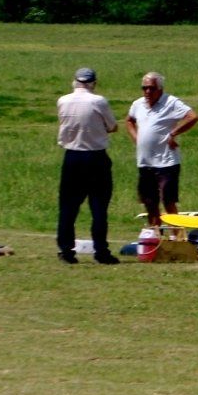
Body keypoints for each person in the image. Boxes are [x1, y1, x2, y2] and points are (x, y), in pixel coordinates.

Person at [56, 67, 120, 264]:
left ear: (75, 81)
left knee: (68, 207)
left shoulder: (63, 101)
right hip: (95, 157)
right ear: (93, 82)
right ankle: (101, 250)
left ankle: (66, 250)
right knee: (99, 207)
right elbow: (112, 126)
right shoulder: (98, 101)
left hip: (72, 157)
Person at [125, 71, 198, 232]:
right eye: (144, 88)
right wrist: (137, 138)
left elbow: (192, 117)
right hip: (145, 161)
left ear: (160, 88)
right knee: (149, 201)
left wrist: (173, 133)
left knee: (168, 200)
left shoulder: (171, 102)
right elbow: (129, 120)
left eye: (151, 88)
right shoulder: (138, 104)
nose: (147, 92)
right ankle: (155, 234)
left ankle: (176, 235)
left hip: (167, 162)